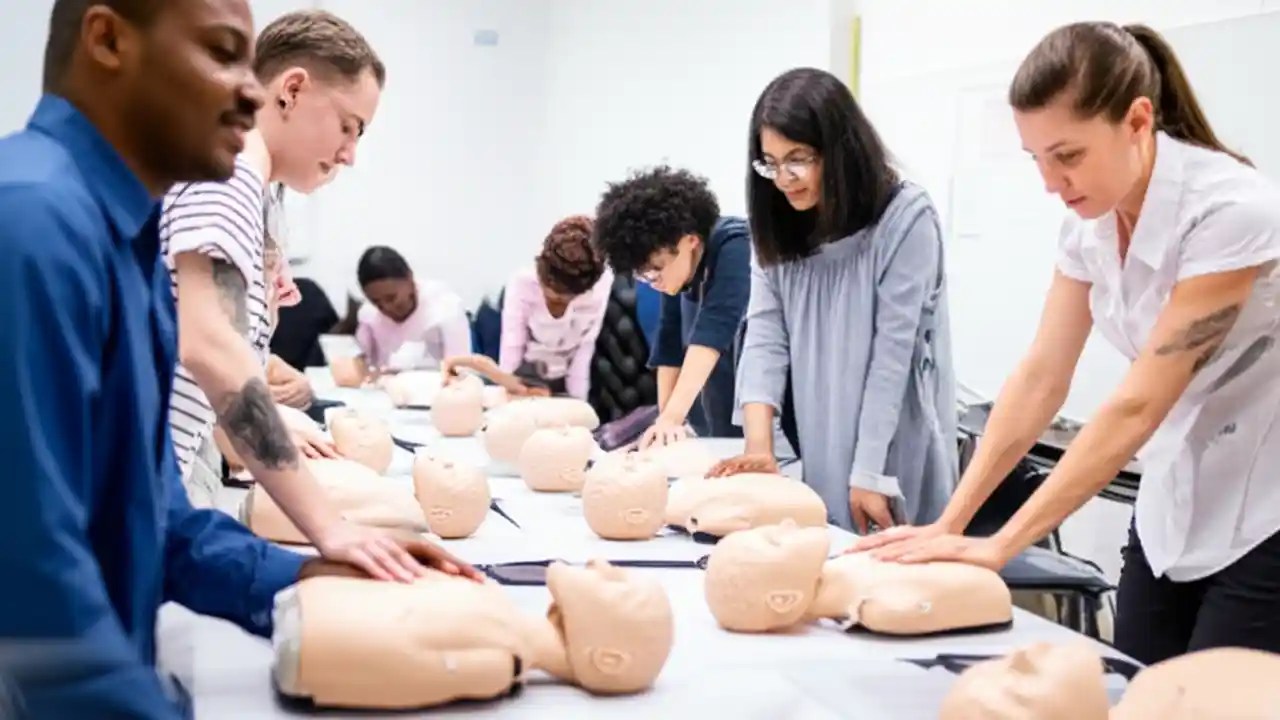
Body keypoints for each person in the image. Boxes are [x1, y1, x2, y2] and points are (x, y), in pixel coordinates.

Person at [0, 2, 477, 717]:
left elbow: (152, 515)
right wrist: (329, 523)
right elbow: (37, 597)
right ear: (106, 40)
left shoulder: (123, 238)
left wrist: (309, 574)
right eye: (223, 53)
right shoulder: (33, 222)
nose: (251, 91)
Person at [853, 22, 1280, 665]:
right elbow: (1040, 377)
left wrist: (1005, 544)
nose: (1052, 183)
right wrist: (953, 521)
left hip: (1267, 511)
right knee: (1137, 688)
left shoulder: (1231, 211)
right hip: (1173, 500)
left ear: (1138, 121)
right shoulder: (1090, 228)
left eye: (1069, 155)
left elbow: (1139, 404)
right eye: (1037, 160)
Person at [160, 11, 428, 579]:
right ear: (293, 89)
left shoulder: (246, 191)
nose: (351, 153)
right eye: (349, 126)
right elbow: (209, 352)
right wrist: (328, 525)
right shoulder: (225, 180)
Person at [707, 67, 957, 535]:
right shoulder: (779, 229)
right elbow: (764, 337)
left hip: (890, 448)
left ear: (839, 152)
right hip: (825, 442)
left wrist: (868, 473)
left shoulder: (905, 220)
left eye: (798, 159)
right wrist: (758, 446)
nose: (783, 178)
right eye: (770, 162)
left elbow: (892, 358)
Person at [592, 166, 752, 447]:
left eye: (657, 270)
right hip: (715, 418)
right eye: (644, 276)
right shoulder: (676, 272)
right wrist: (666, 420)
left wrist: (671, 418)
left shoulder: (736, 246)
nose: (654, 282)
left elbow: (713, 331)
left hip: (763, 419)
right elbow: (668, 344)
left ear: (690, 241)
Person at [444, 215, 612, 399]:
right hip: (524, 376)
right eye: (552, 295)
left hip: (570, 379)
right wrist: (510, 388)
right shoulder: (522, 283)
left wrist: (578, 403)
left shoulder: (601, 289)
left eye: (565, 299)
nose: (558, 303)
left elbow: (584, 352)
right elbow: (512, 347)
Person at [354, 245, 472, 372]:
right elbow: (360, 362)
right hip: (383, 388)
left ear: (410, 279)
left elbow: (461, 370)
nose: (386, 308)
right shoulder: (368, 315)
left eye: (391, 298)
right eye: (376, 302)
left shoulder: (445, 307)